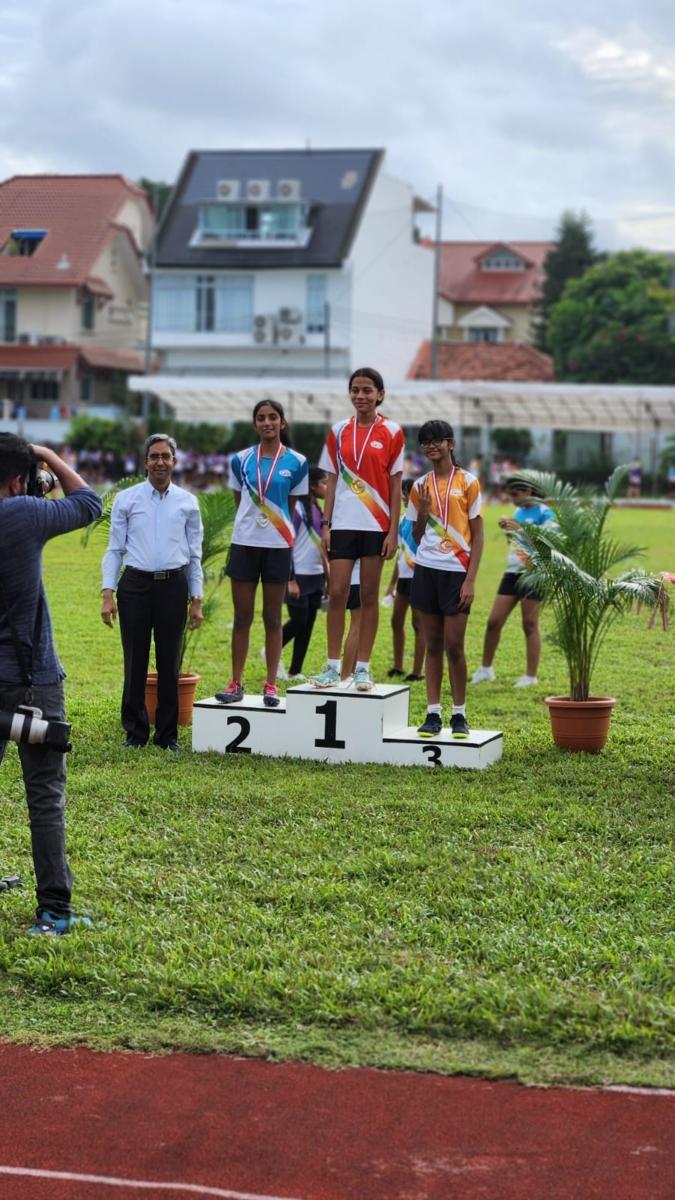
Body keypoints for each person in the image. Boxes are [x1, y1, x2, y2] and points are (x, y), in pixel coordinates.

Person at [0, 434, 102, 934]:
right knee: (44, 793)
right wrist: (49, 455)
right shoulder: (21, 513)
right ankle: (54, 910)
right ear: (20, 480)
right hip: (31, 680)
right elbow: (89, 503)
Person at [101, 434, 204, 752]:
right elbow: (114, 549)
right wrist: (108, 593)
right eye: (154, 456)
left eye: (166, 456)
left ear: (174, 461)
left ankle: (167, 736)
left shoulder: (187, 502)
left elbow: (195, 554)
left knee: (169, 661)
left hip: (174, 586)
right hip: (135, 586)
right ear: (145, 462)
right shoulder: (127, 499)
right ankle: (135, 733)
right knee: (135, 659)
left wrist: (196, 600)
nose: (160, 461)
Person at [311, 368, 404, 692]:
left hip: (376, 525)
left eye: (367, 390)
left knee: (367, 597)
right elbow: (332, 480)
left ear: (380, 394)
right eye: (355, 390)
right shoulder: (337, 431)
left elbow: (395, 485)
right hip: (344, 525)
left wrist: (393, 531)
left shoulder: (393, 432)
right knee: (336, 593)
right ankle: (332, 666)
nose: (360, 396)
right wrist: (326, 524)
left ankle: (363, 668)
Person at [216, 400, 308, 708]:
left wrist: (275, 528)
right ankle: (236, 682)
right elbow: (238, 499)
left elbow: (291, 506)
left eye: (273, 417)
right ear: (255, 424)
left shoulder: (298, 462)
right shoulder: (239, 460)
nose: (267, 422)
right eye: (261, 418)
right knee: (242, 617)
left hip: (278, 546)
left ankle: (271, 684)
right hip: (245, 543)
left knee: (272, 617)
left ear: (282, 423)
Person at [408, 420, 483, 739]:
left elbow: (478, 535)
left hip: (457, 573)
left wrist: (470, 580)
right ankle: (433, 713)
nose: (431, 446)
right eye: (425, 442)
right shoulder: (418, 486)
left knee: (455, 647)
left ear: (451, 443)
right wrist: (423, 512)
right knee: (432, 645)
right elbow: (414, 534)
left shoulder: (468, 482)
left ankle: (460, 715)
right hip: (426, 569)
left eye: (437, 440)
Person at [471, 476, 555, 689]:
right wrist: (509, 531)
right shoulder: (519, 512)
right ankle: (486, 669)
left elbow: (548, 544)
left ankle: (530, 676)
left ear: (528, 490)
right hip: (512, 572)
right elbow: (515, 543)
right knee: (493, 622)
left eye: (515, 494)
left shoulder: (546, 513)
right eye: (509, 494)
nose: (512, 498)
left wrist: (518, 529)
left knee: (529, 624)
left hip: (534, 573)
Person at [280, 466, 330, 682]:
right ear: (311, 486)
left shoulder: (319, 509)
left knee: (308, 624)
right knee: (298, 620)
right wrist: (290, 579)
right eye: (324, 483)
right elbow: (287, 544)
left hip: (316, 576)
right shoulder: (297, 509)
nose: (328, 487)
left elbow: (322, 548)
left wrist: (327, 577)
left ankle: (294, 671)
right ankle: (271, 648)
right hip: (297, 575)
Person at [383, 479, 425, 682]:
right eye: (403, 492)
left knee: (419, 624)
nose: (403, 497)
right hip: (404, 579)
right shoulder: (401, 521)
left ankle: (417, 671)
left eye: (407, 493)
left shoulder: (426, 520)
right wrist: (391, 584)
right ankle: (398, 666)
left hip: (421, 578)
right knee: (396, 621)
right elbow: (400, 554)